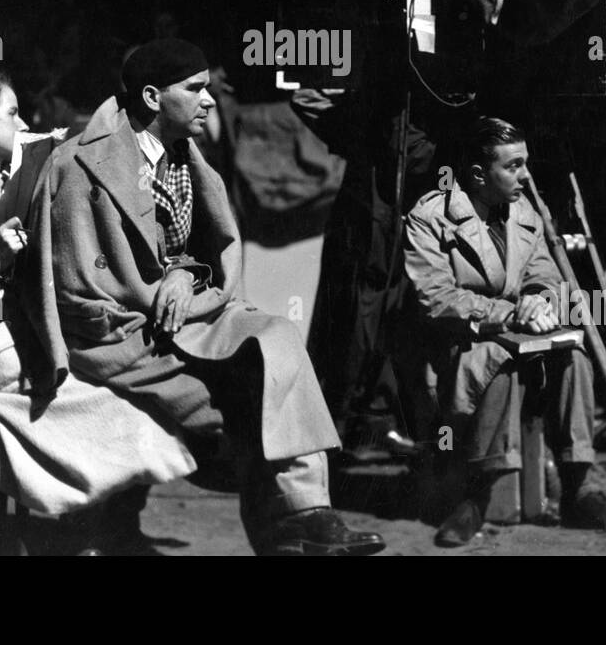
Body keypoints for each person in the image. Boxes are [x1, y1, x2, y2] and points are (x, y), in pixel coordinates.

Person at [24, 37, 385, 556]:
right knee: (251, 399)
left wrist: (186, 277)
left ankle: (311, 512)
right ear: (152, 97)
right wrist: (158, 295)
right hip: (120, 335)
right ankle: (286, 532)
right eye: (195, 89)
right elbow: (75, 285)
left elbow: (206, 251)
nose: (210, 100)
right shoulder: (79, 168)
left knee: (278, 336)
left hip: (188, 312)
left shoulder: (183, 154)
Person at [0, 71, 196, 545]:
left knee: (135, 383)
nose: (23, 126)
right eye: (12, 115)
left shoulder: (3, 176)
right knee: (119, 397)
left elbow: (51, 138)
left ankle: (105, 524)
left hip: (23, 343)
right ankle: (95, 528)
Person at [404, 117, 606, 547]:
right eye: (513, 166)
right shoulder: (431, 217)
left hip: (520, 336)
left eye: (525, 164)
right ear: (478, 174)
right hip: (461, 345)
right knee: (499, 361)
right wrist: (509, 314)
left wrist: (539, 300)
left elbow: (546, 275)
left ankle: (576, 489)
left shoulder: (523, 213)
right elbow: (434, 298)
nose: (525, 175)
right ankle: (477, 497)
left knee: (574, 358)